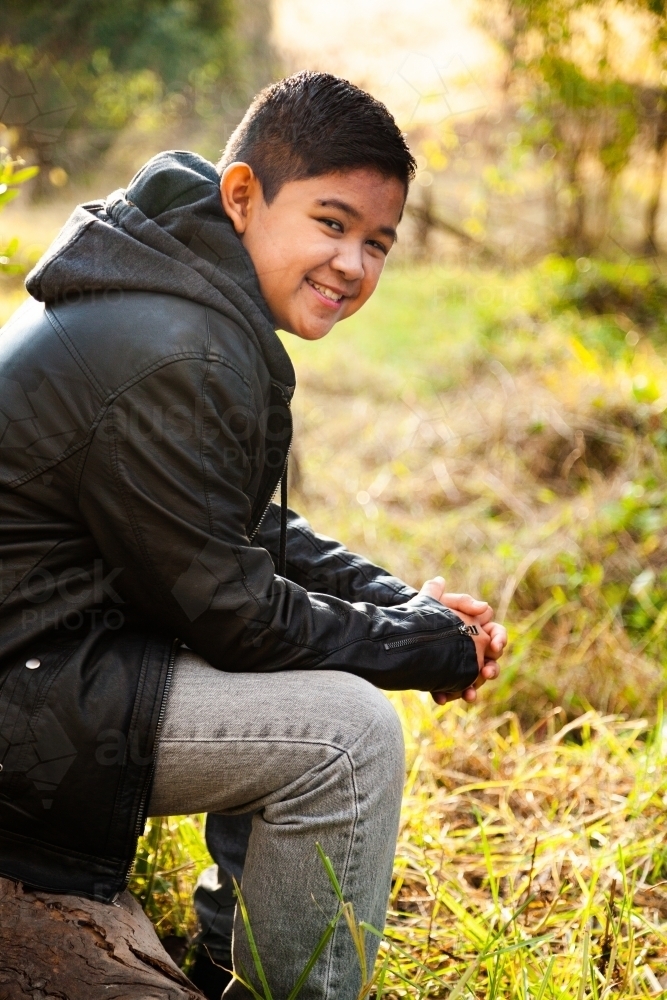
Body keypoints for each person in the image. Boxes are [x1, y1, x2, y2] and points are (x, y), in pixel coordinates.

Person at [0, 71, 506, 999]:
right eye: (329, 222)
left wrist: (405, 609)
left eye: (376, 243)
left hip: (52, 655)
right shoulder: (178, 346)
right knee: (347, 735)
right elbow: (233, 612)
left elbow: (237, 528)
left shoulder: (174, 290)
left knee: (314, 676)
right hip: (23, 689)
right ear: (242, 195)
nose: (352, 265)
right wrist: (428, 648)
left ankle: (221, 957)